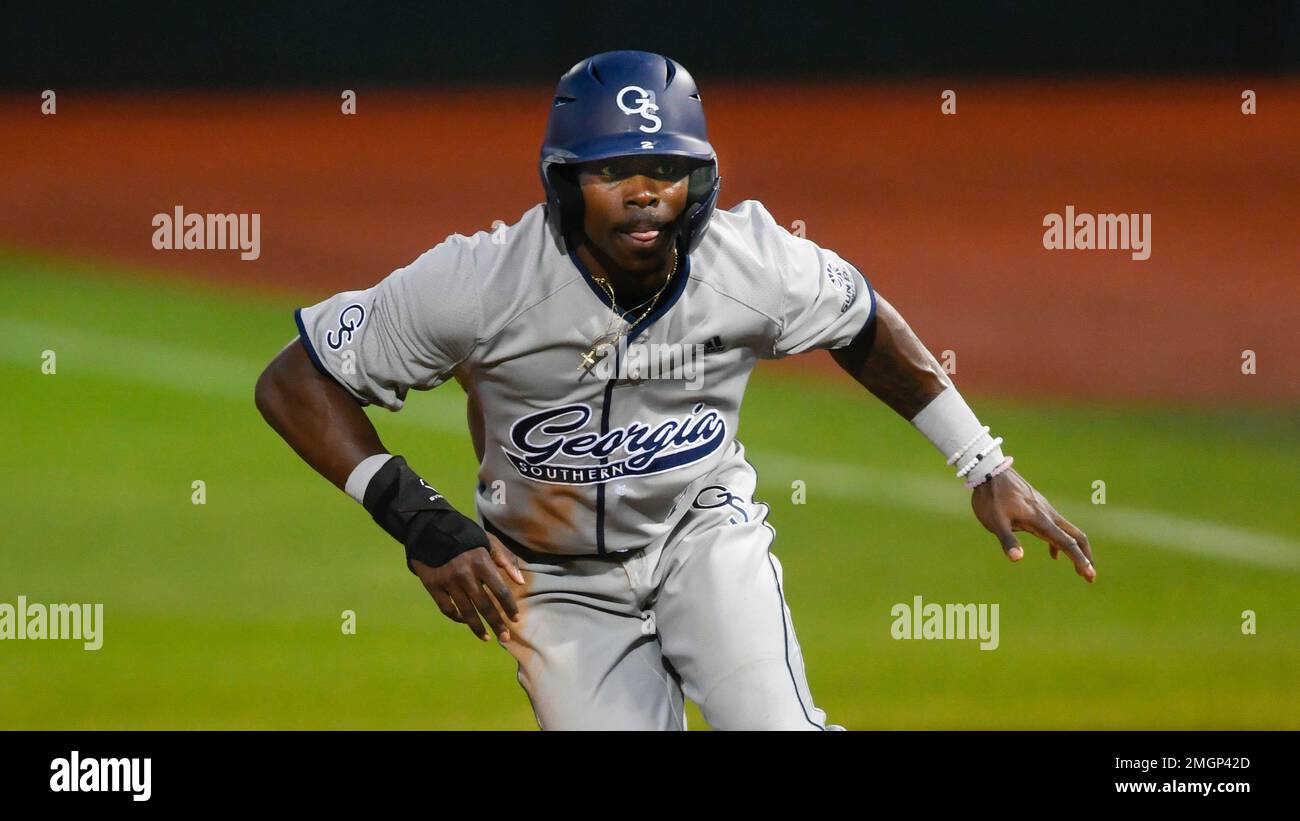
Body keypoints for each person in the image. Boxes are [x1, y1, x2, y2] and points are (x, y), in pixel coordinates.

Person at [254, 50, 1094, 731]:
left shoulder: (752, 263)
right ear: (562, 183)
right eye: (612, 169)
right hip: (550, 579)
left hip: (705, 536)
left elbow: (862, 323)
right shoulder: (479, 282)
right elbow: (296, 379)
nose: (645, 190)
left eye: (667, 166)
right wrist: (415, 515)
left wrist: (982, 461)